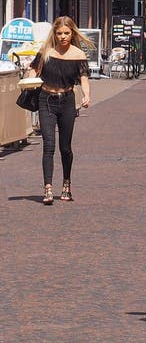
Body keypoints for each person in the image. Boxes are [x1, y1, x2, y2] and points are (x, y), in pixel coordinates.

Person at [26, 16, 92, 205]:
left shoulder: (78, 54)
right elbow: (33, 70)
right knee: (48, 145)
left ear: (72, 33)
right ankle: (47, 188)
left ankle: (66, 183)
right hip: (46, 99)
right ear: (54, 34)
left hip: (67, 101)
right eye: (59, 33)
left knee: (65, 148)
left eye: (66, 33)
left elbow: (84, 78)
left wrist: (86, 95)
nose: (63, 37)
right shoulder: (46, 51)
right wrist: (30, 79)